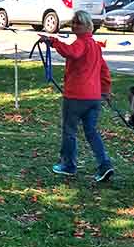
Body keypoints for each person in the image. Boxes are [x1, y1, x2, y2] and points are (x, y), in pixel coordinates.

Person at [46, 10, 114, 182]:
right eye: (74, 22)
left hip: (76, 97)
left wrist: (53, 42)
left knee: (69, 131)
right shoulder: (96, 46)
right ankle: (104, 164)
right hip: (93, 98)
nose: (75, 25)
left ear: (87, 25)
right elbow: (104, 71)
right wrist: (105, 91)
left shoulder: (81, 42)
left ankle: (68, 165)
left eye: (79, 23)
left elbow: (72, 52)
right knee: (92, 132)